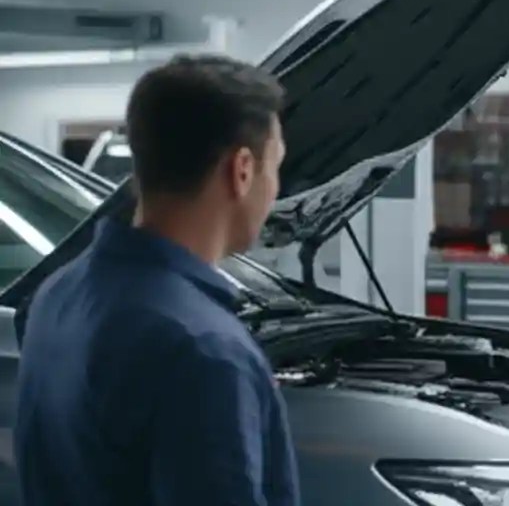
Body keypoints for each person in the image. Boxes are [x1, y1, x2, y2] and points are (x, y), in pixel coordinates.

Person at [14, 54, 300, 506]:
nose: (276, 189)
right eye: (275, 166)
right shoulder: (201, 348)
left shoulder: (58, 295)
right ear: (242, 170)